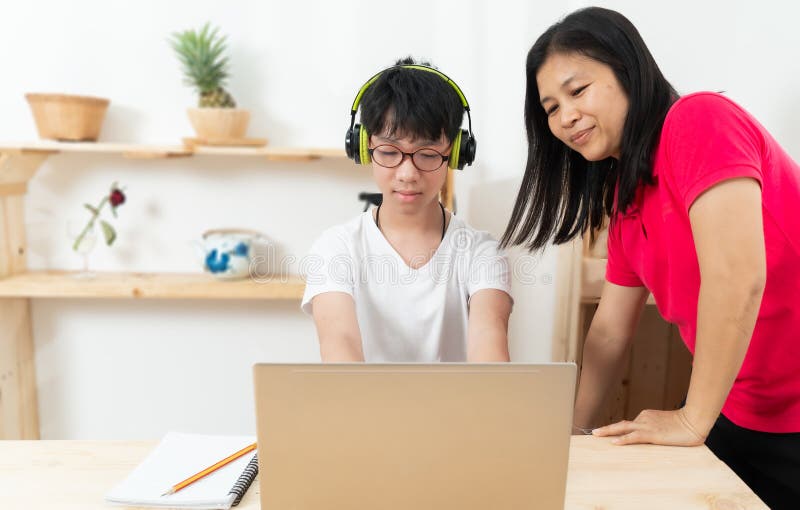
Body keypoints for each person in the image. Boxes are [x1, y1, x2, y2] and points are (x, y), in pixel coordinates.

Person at [501, 7, 799, 508]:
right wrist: (571, 437)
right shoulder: (625, 201)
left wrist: (689, 419)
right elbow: (610, 332)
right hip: (738, 411)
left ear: (629, 71)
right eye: (550, 107)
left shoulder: (700, 120)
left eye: (578, 91)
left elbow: (738, 277)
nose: (565, 116)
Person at [302, 57, 513, 363]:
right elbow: (339, 342)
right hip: (363, 408)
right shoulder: (336, 247)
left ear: (455, 153)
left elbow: (488, 339)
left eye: (427, 154)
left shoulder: (481, 252)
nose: (407, 174)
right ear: (364, 148)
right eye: (389, 152)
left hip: (460, 411)